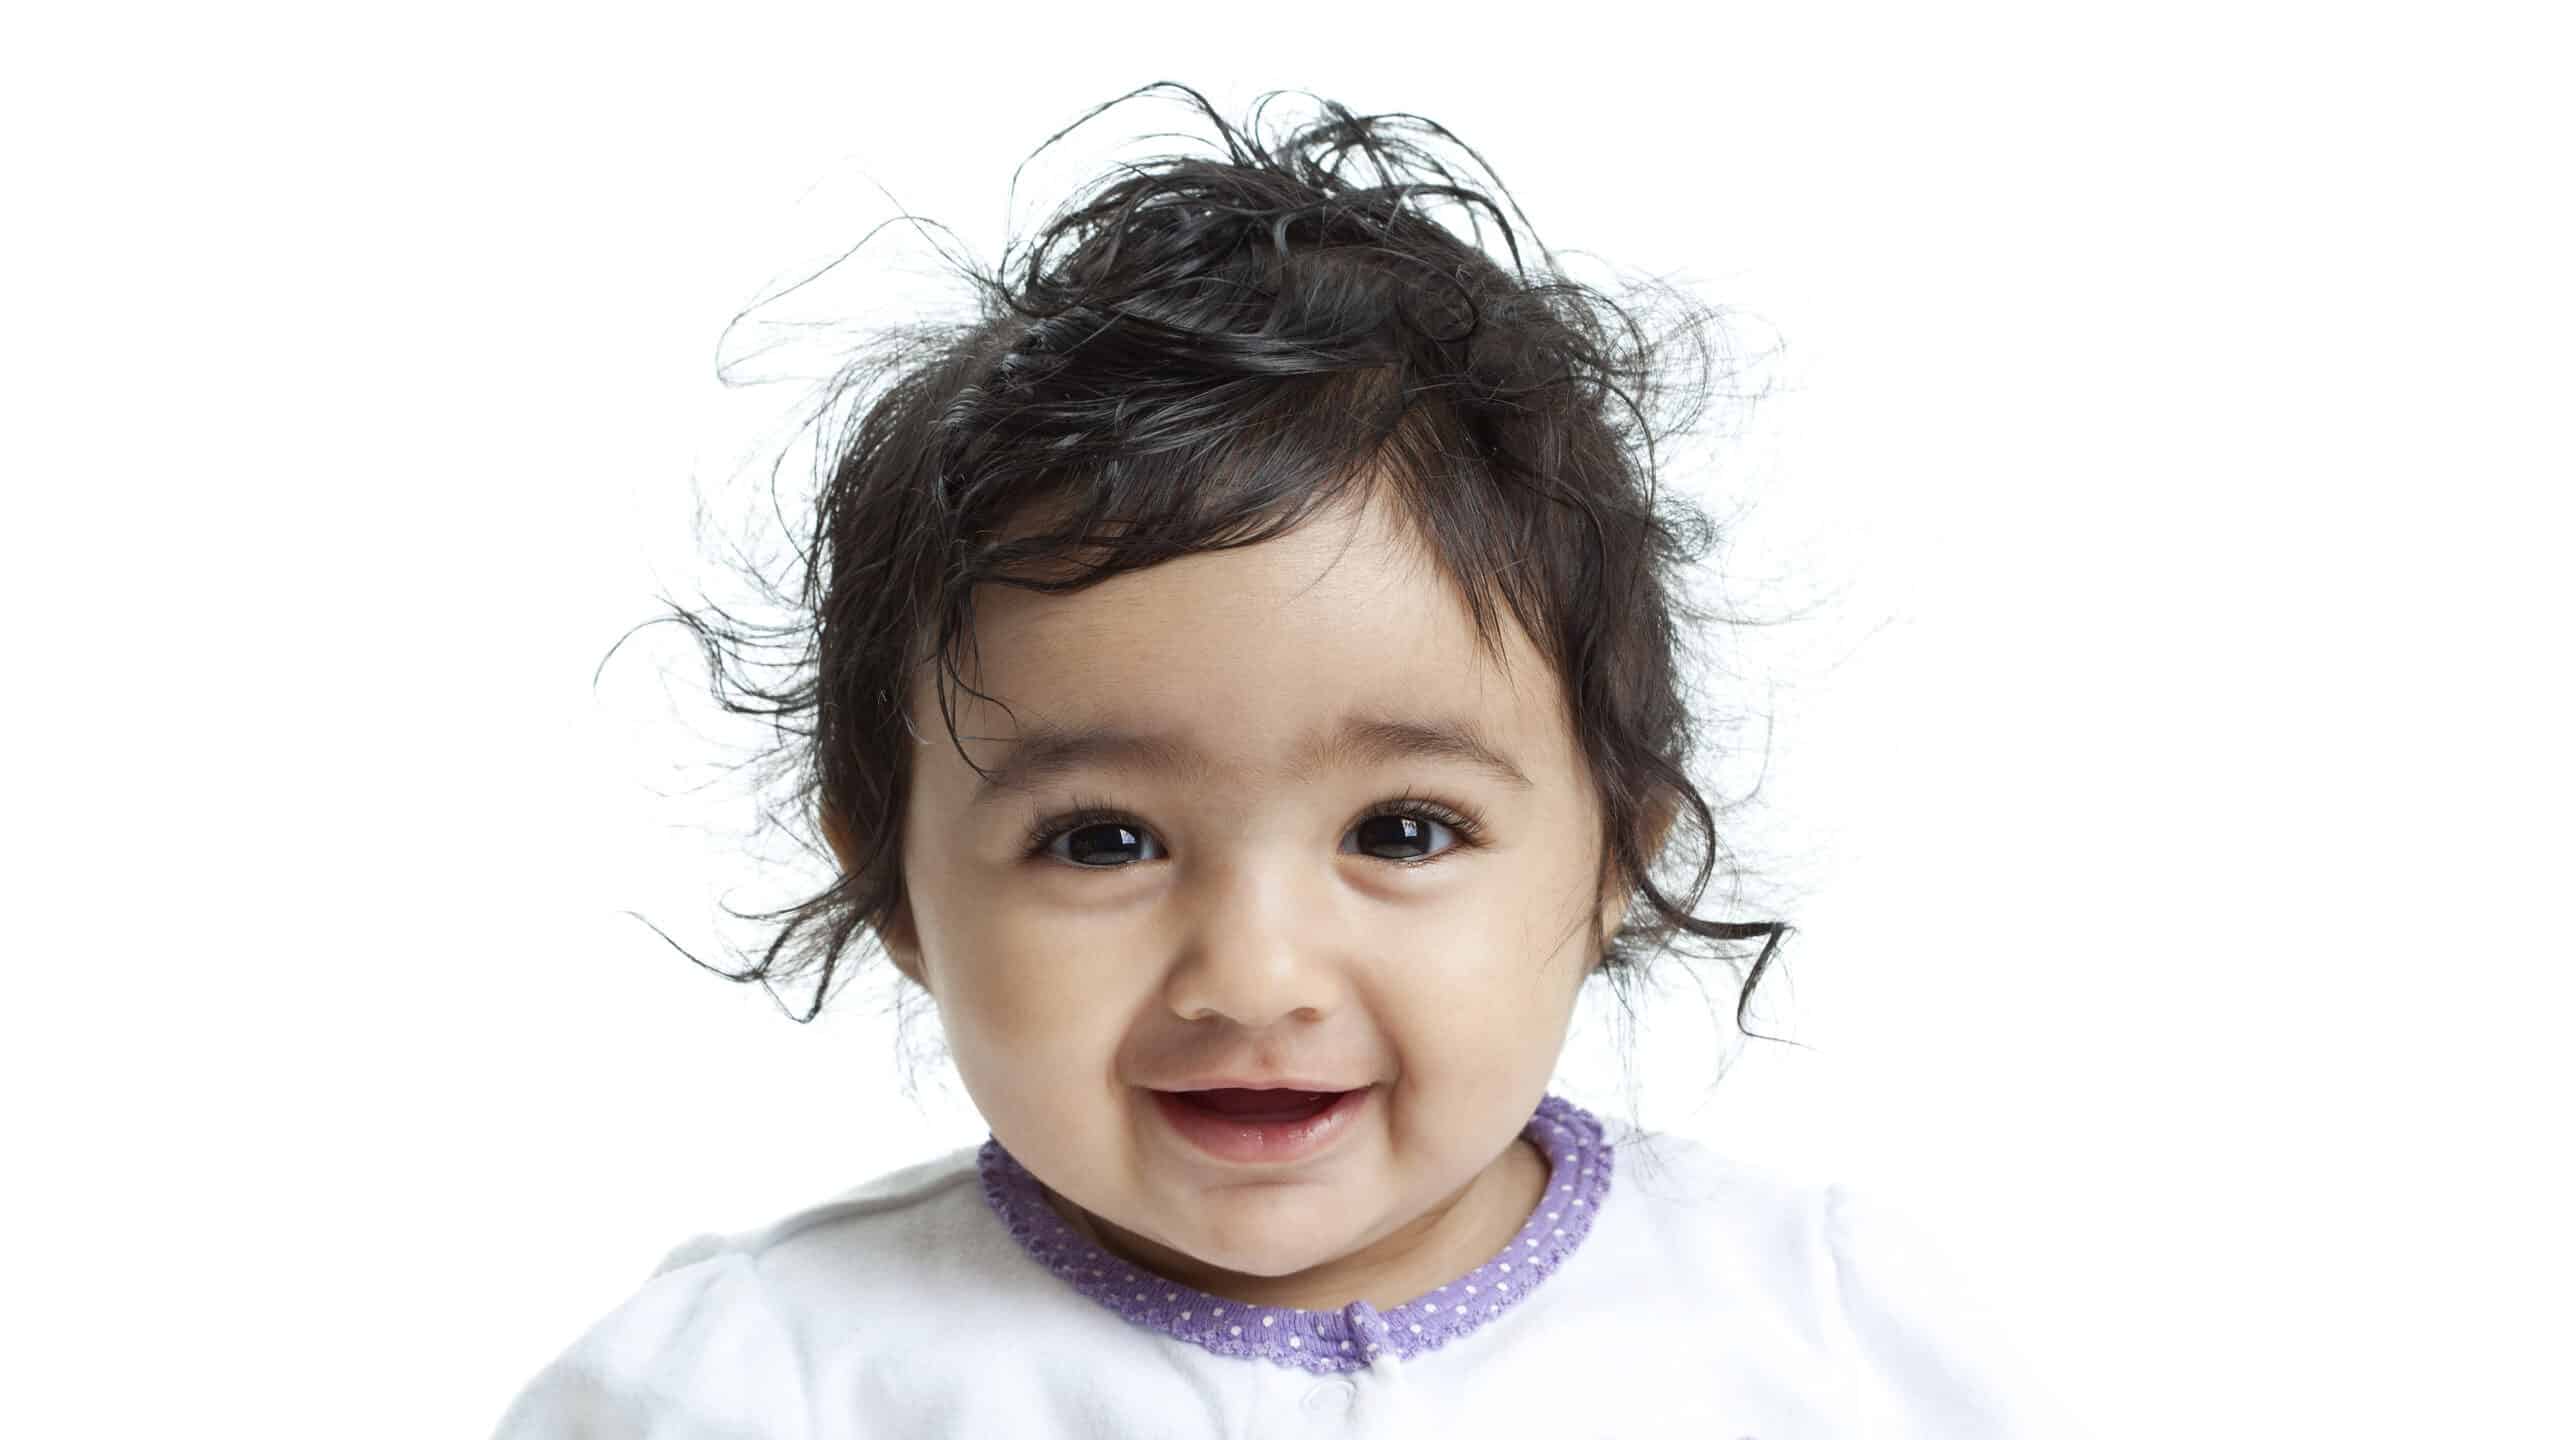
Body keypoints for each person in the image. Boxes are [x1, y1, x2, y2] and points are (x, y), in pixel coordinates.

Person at [493, 82, 2066, 1438]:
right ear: (894, 880)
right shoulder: (766, 1384)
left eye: (1402, 827)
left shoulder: (1822, 1335)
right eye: (1102, 839)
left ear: (1618, 851)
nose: (1252, 978)